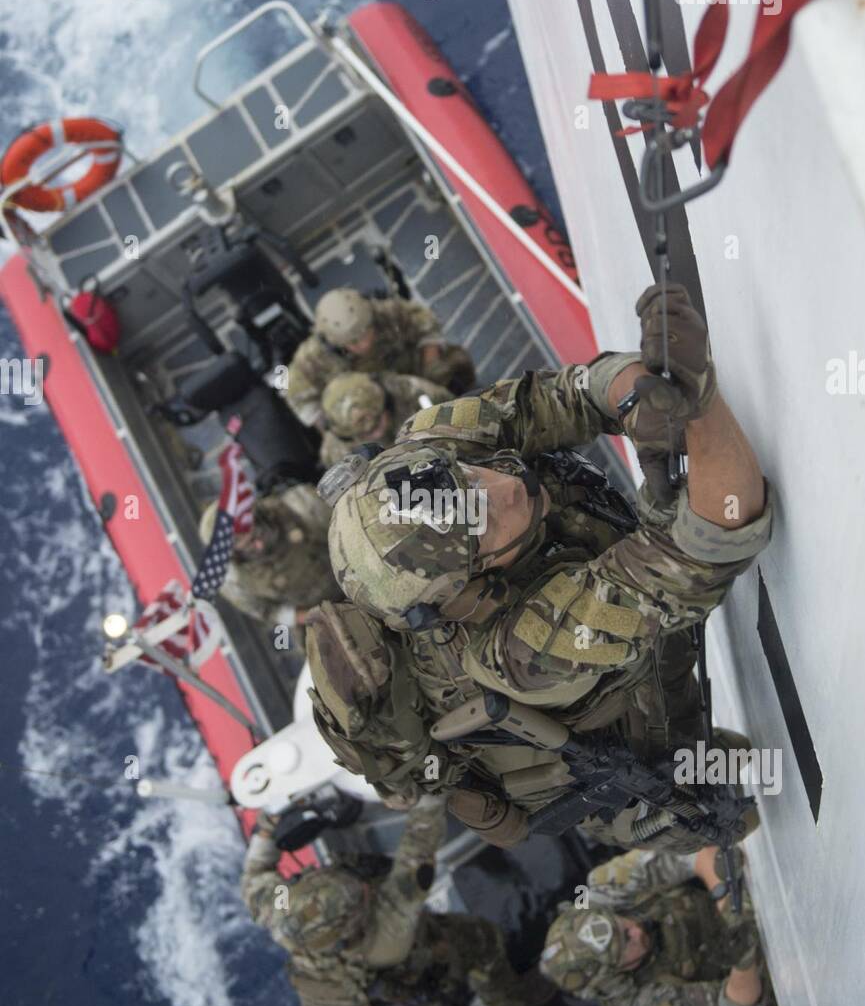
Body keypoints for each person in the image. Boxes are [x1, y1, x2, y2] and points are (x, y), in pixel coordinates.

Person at [313, 282, 772, 850]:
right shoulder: (518, 650)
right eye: (481, 527)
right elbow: (716, 536)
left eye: (470, 479)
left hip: (609, 585)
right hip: (631, 735)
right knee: (725, 793)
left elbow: (560, 397)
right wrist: (699, 401)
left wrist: (637, 394)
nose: (504, 486)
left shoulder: (429, 447)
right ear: (470, 586)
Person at [240, 794, 554, 1006]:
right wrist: (431, 793)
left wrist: (269, 824)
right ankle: (509, 1003)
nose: (361, 886)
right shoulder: (386, 938)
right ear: (353, 920)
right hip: (407, 958)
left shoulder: (279, 908)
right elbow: (416, 859)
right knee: (480, 939)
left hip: (352, 959)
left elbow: (255, 872)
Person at [538, 845, 782, 1006]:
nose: (635, 930)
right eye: (627, 941)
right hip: (770, 982)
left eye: (621, 925)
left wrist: (728, 902)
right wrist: (744, 956)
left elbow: (696, 853)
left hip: (742, 904)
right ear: (616, 970)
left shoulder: (607, 889)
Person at [283, 287, 475, 428]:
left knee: (454, 360)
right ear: (333, 341)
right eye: (354, 342)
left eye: (367, 332)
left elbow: (425, 324)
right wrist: (333, 423)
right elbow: (299, 397)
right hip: (368, 409)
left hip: (412, 375)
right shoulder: (312, 358)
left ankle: (466, 405)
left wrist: (432, 366)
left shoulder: (386, 312)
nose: (365, 344)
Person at [198, 484, 339, 631]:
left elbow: (343, 532)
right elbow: (267, 612)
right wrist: (318, 616)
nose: (253, 541)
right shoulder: (233, 579)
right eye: (237, 540)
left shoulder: (297, 505)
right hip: (320, 614)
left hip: (348, 572)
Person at [319, 371, 452, 467]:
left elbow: (454, 408)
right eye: (365, 434)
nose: (376, 433)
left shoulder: (409, 390)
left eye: (377, 422)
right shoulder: (336, 452)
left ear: (386, 404)